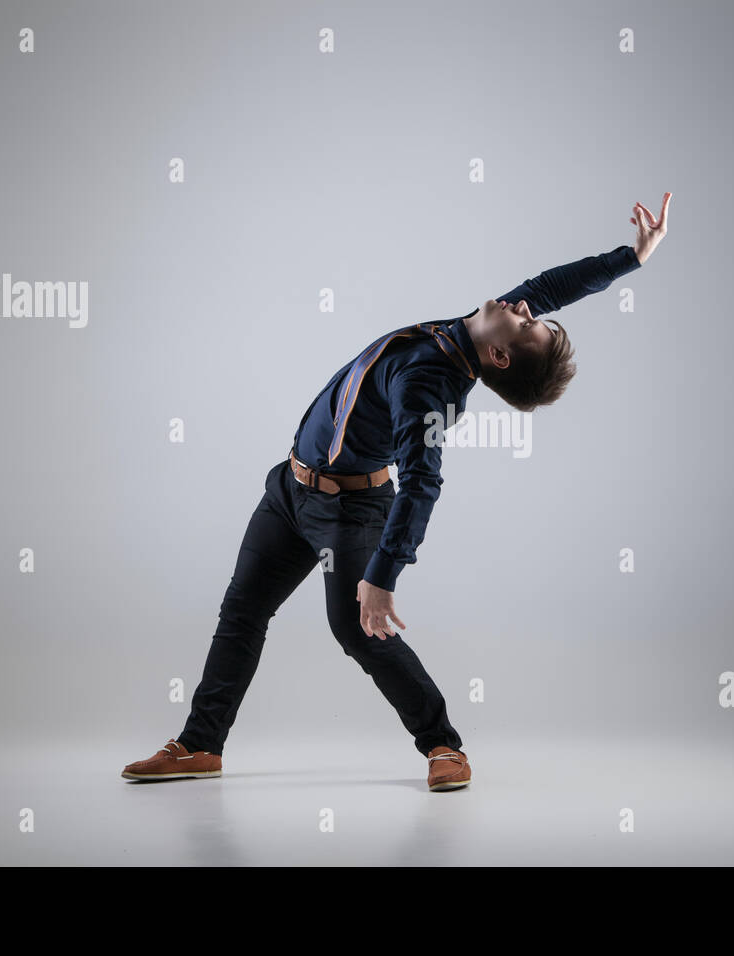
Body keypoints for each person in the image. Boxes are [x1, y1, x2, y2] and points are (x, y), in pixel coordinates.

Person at [121, 193, 671, 791]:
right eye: (528, 310)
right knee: (243, 611)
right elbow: (552, 285)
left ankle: (442, 745)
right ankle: (200, 745)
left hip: (349, 510)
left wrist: (383, 575)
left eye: (525, 319)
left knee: (357, 629)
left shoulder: (427, 385)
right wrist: (631, 257)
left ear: (498, 353)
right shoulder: (471, 334)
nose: (521, 303)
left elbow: (424, 482)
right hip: (290, 490)